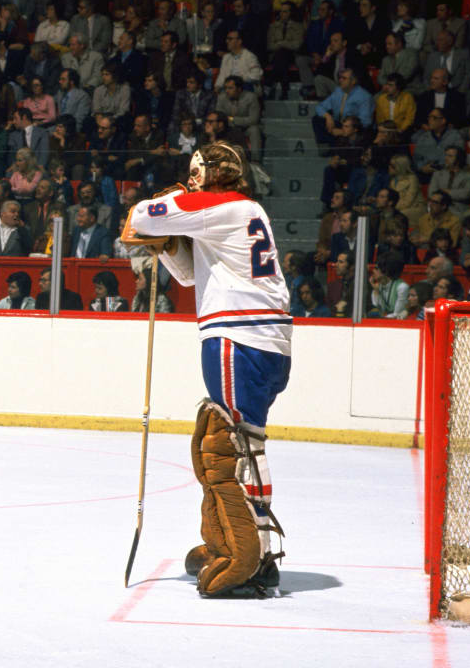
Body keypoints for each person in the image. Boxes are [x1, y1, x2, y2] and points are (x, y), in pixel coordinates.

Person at [123, 141, 291, 597]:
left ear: (212, 175)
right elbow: (190, 276)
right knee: (244, 442)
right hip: (265, 338)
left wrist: (162, 216)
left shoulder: (219, 204)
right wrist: (168, 247)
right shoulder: (243, 210)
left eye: (196, 171)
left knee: (234, 447)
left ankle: (254, 557)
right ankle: (250, 543)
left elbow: (139, 215)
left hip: (238, 337)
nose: (191, 179)